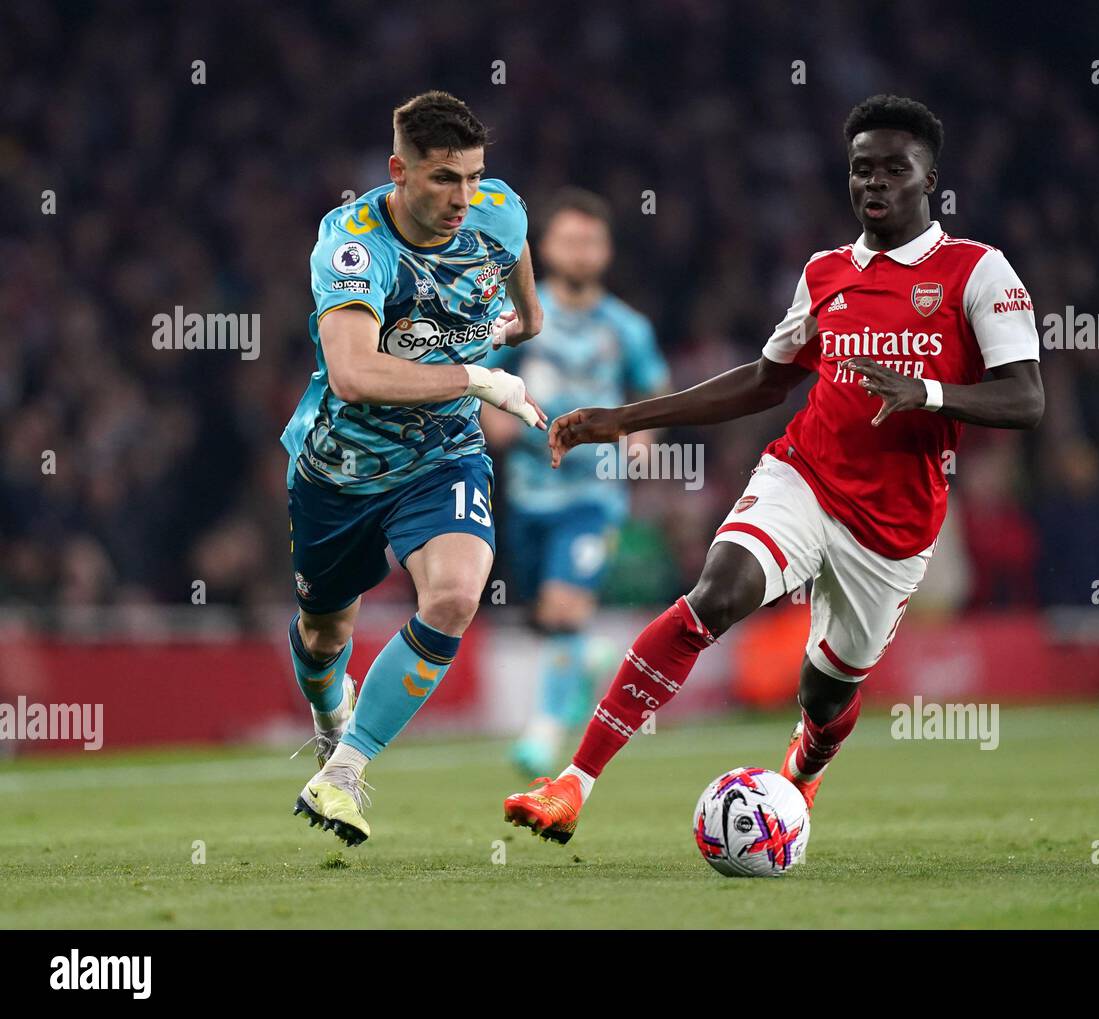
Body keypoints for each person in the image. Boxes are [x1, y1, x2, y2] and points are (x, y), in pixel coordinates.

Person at [503, 94, 1044, 845]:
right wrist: (626, 417)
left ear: (930, 176)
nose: (875, 183)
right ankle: (573, 780)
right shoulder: (825, 274)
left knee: (825, 694)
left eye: (894, 167)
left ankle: (809, 761)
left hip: (893, 529)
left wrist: (924, 392)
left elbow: (1026, 398)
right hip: (804, 476)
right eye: (862, 170)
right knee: (714, 595)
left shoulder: (976, 272)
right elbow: (764, 380)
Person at [281, 90, 546, 846]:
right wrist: (478, 378)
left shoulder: (495, 208)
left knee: (458, 594)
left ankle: (345, 771)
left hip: (443, 454)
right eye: (441, 179)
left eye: (472, 176)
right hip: (341, 467)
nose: (464, 197)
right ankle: (332, 716)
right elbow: (355, 375)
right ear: (399, 171)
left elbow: (516, 245)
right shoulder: (353, 244)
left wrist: (527, 320)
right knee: (325, 634)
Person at [482, 188, 669, 776]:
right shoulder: (518, 318)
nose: (580, 250)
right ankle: (586, 654)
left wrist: (643, 437)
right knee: (546, 614)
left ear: (607, 250)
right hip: (526, 493)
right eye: (568, 239)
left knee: (564, 607)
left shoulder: (626, 327)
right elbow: (482, 375)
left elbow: (656, 394)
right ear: (544, 248)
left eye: (590, 240)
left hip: (593, 494)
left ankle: (542, 733)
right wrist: (492, 414)